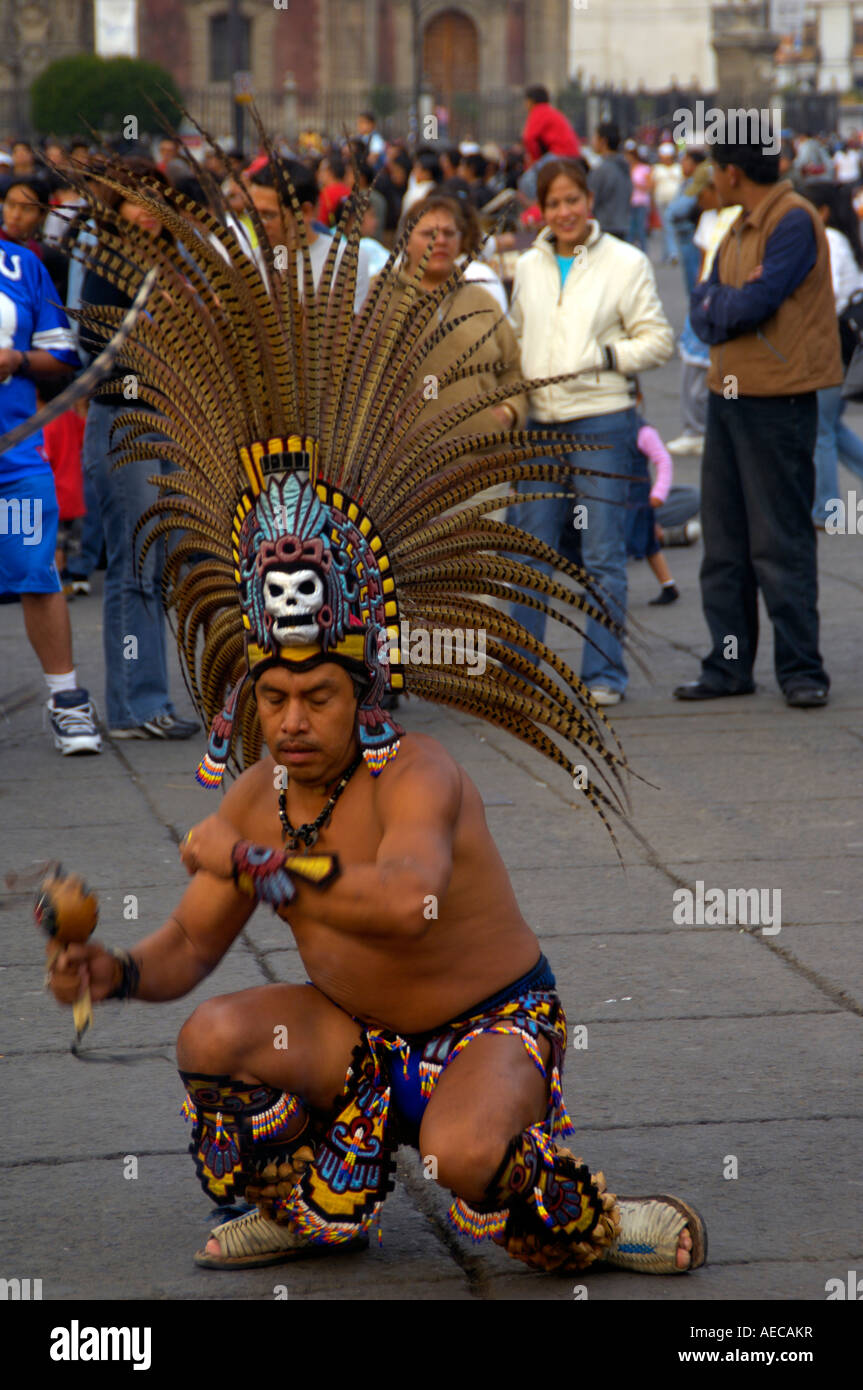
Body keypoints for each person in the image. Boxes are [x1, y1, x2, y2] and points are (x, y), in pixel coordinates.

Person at [33, 156, 706, 1277]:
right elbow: (194, 943)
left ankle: (602, 1215)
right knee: (208, 1039)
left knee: (463, 1154)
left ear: (367, 692)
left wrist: (253, 862)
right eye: (273, 696)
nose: (289, 719)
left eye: (315, 696)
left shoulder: (421, 771)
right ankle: (308, 1209)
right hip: (351, 1040)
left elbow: (404, 903)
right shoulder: (262, 785)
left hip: (487, 1031)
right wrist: (116, 972)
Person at [674, 138, 843, 709]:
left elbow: (753, 303)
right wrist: (720, 306)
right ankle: (727, 667)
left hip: (779, 399)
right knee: (724, 546)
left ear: (730, 172)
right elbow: (704, 301)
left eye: (712, 170)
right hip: (730, 395)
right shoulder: (738, 225)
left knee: (780, 544)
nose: (709, 180)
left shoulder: (790, 221)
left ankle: (801, 669)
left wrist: (719, 307)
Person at [506, 157, 674, 706]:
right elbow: (516, 336)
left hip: (602, 419)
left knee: (602, 554)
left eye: (572, 200)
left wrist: (602, 354)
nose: (564, 212)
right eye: (553, 204)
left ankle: (604, 674)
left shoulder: (624, 262)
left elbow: (658, 340)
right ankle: (520, 671)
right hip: (539, 425)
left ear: (589, 202)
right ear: (542, 209)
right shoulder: (529, 264)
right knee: (530, 552)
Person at [77, 156, 199, 740]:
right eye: (135, 200)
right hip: (126, 423)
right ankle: (134, 706)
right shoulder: (109, 262)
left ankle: (148, 701)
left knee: (162, 567)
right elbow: (99, 356)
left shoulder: (176, 269)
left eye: (157, 201)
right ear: (116, 208)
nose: (147, 214)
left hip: (169, 423)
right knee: (134, 566)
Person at [0, 237, 100, 753]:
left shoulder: (21, 264)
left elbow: (63, 355)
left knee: (37, 571)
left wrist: (16, 358)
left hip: (13, 458)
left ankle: (67, 701)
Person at [801, 180, 863, 527]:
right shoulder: (843, 239)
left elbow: (828, 295)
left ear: (821, 211)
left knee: (820, 429)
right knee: (832, 427)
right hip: (847, 346)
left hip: (832, 346)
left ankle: (826, 508)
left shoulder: (829, 240)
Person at [520, 85, 581, 201]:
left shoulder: (538, 111)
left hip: (559, 153)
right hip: (571, 154)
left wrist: (535, 159)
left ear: (531, 101)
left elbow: (529, 138)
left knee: (527, 181)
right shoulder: (552, 112)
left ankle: (539, 207)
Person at [588, 122, 631, 242]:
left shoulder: (602, 169)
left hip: (606, 229)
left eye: (595, 137)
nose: (593, 141)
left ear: (603, 141)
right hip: (623, 226)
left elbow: (591, 201)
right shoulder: (624, 166)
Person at [650, 143, 683, 264]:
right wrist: (652, 203)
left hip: (675, 201)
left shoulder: (678, 168)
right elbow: (652, 186)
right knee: (666, 227)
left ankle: (673, 252)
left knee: (669, 226)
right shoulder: (657, 168)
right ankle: (667, 253)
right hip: (661, 201)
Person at [625, 141, 651, 250]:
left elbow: (649, 186)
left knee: (640, 230)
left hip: (641, 202)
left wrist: (635, 184)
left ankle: (644, 252)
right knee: (629, 230)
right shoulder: (625, 168)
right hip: (629, 202)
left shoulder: (644, 168)